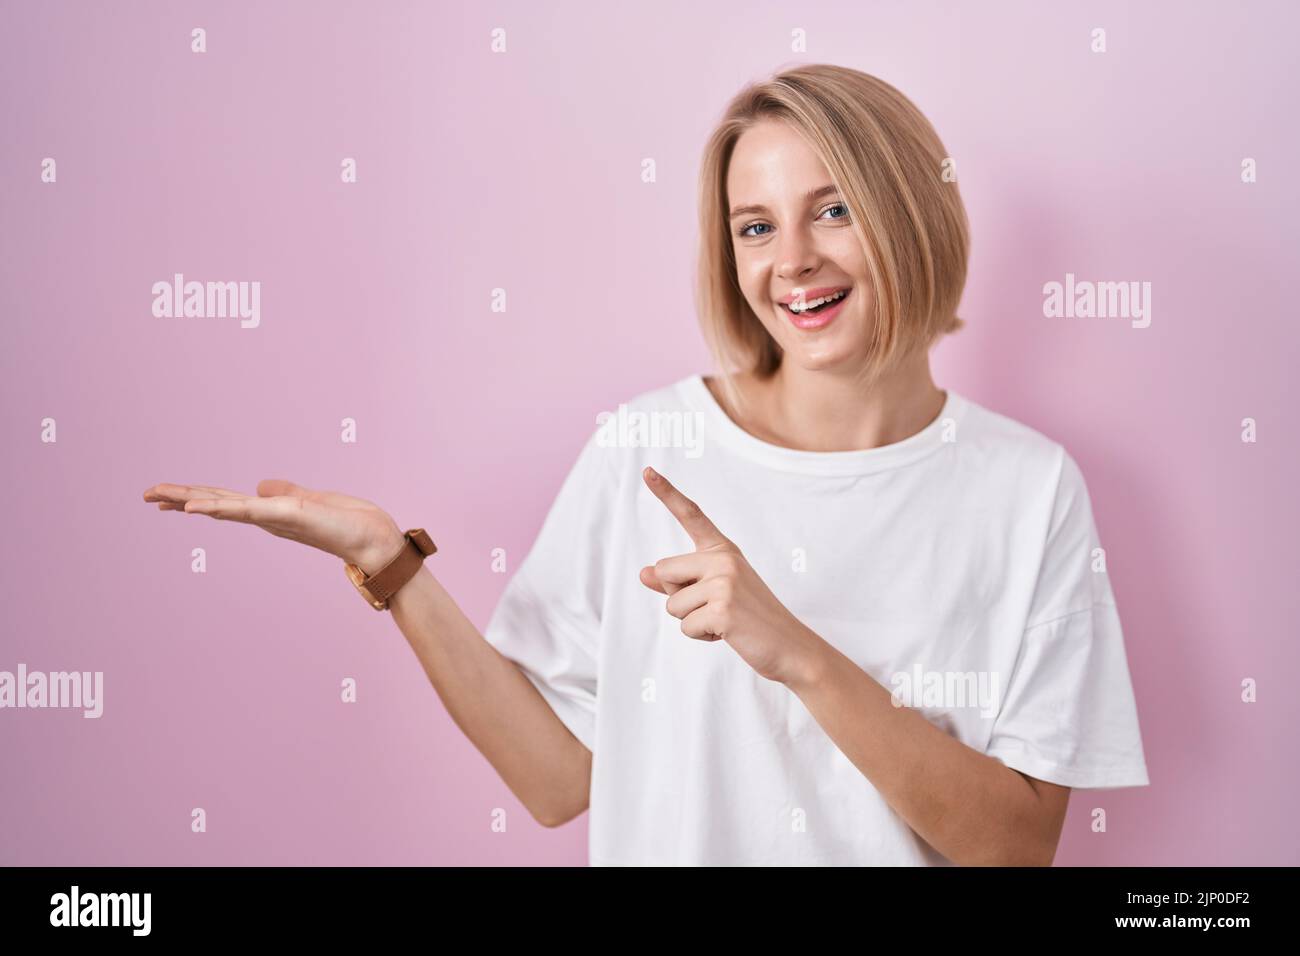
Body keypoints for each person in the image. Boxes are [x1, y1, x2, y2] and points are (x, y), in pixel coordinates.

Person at [143, 64, 1148, 866]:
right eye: (755, 226)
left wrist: (795, 652)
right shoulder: (647, 447)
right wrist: (391, 564)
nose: (789, 259)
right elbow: (555, 781)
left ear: (911, 216)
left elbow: (1015, 847)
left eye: (832, 210)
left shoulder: (1026, 487)